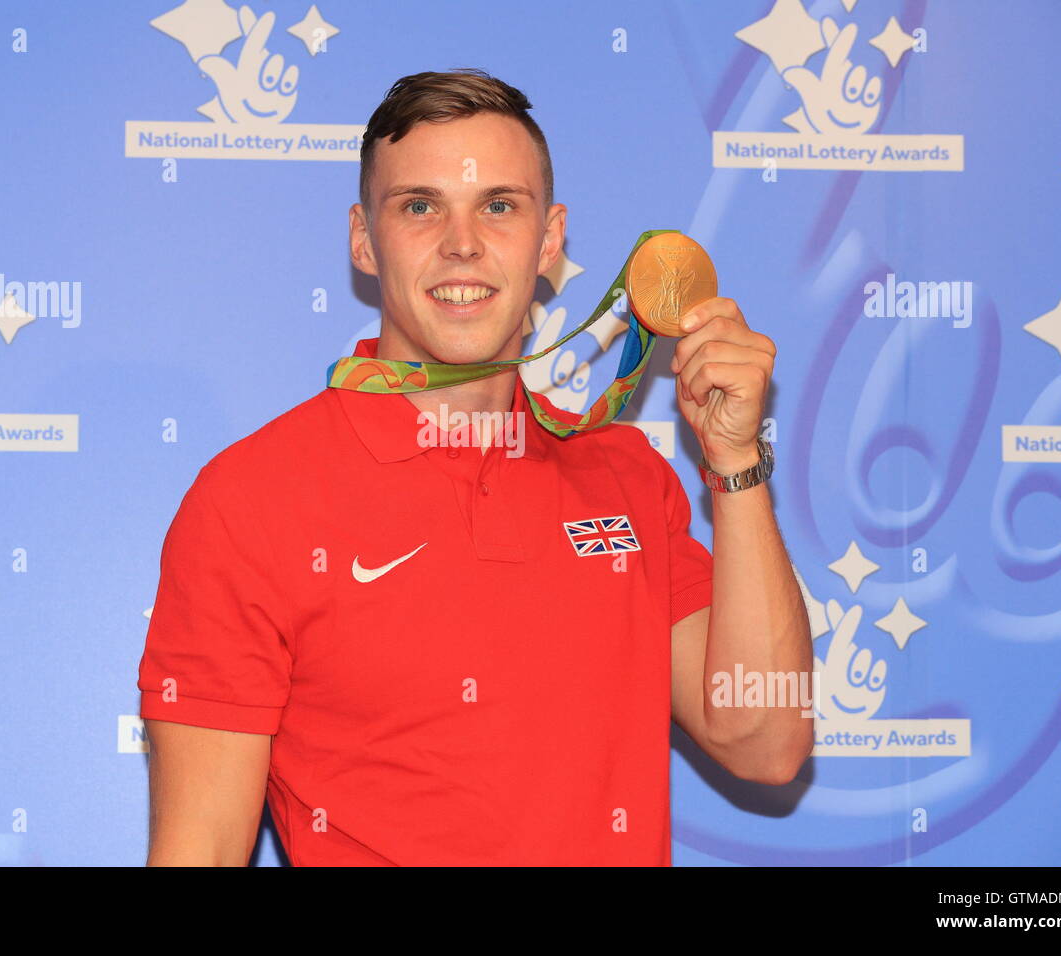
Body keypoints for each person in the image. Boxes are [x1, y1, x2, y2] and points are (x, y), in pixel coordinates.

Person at [137, 68, 812, 866]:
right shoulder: (252, 501)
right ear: (363, 238)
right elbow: (203, 851)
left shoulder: (626, 475)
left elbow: (767, 744)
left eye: (499, 206)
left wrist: (735, 465)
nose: (463, 243)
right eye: (420, 206)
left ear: (550, 239)